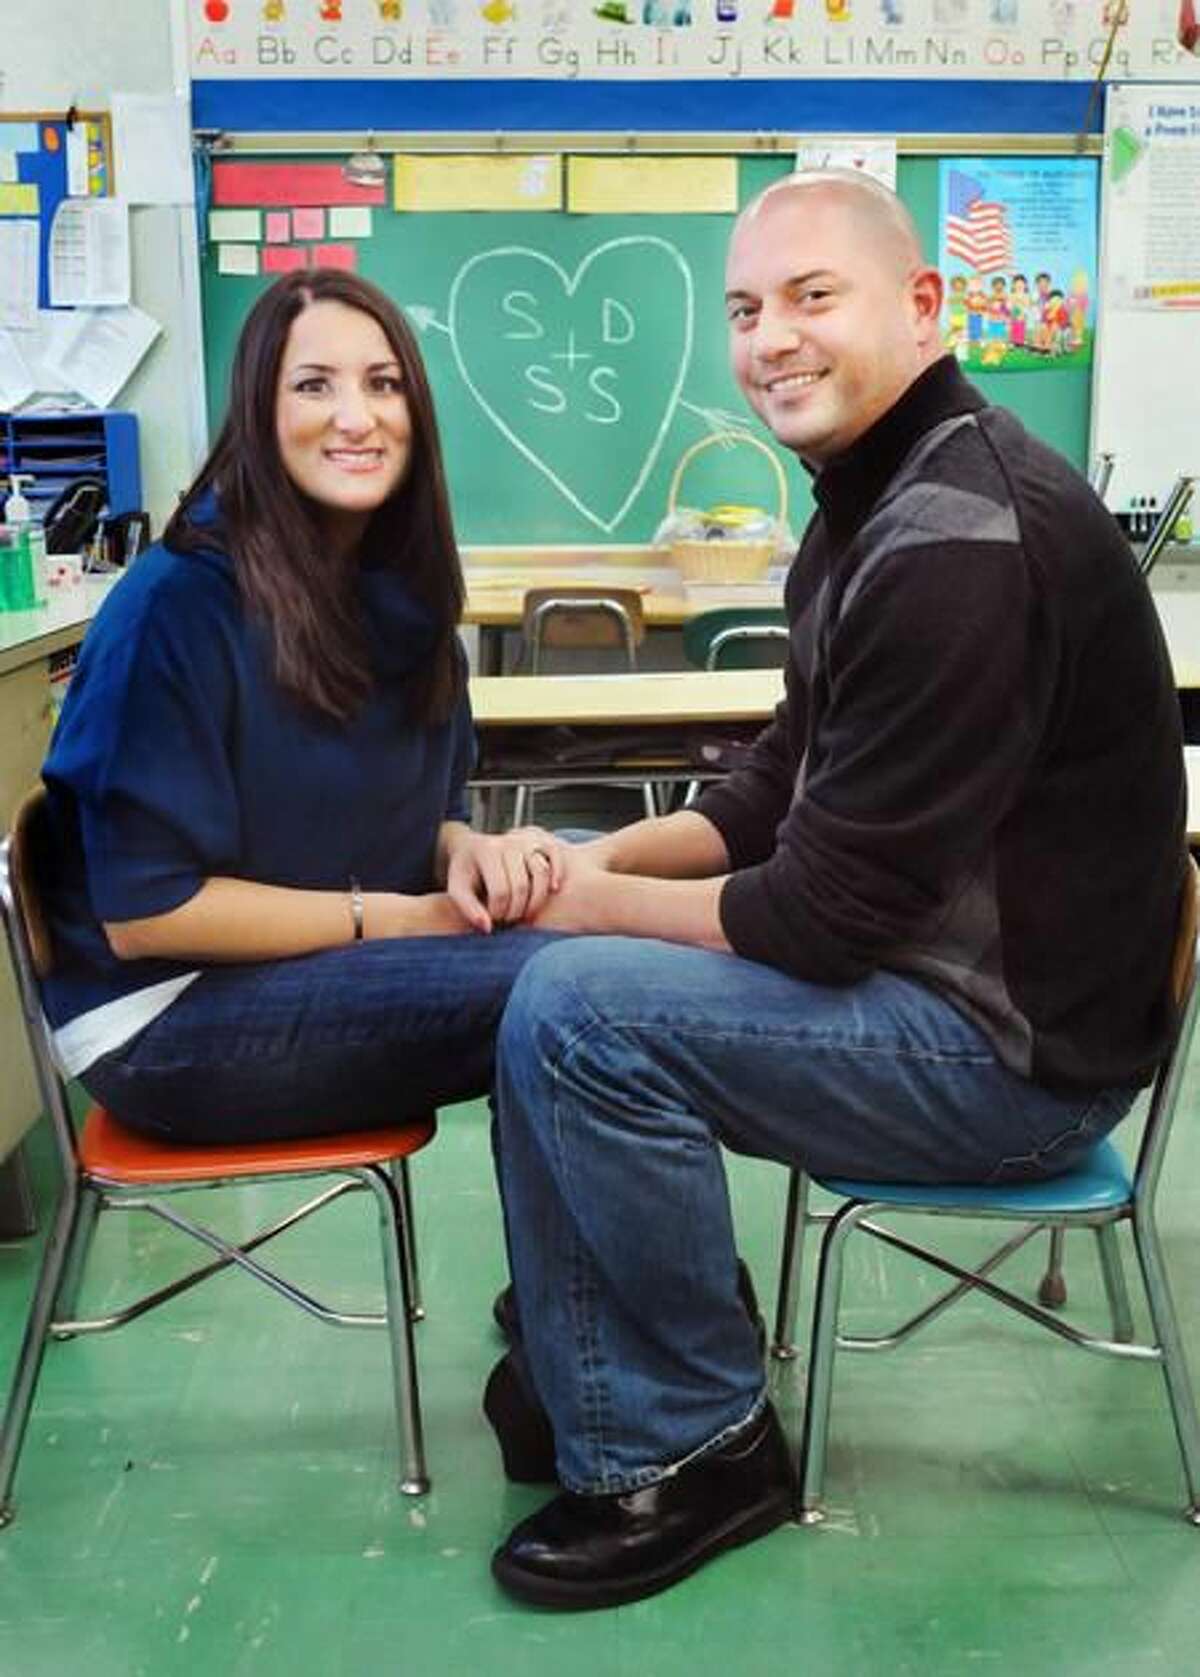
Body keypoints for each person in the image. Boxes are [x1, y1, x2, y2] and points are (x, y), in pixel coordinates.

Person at [484, 170, 1187, 1609]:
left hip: (1012, 1059)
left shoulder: (959, 538)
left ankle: (699, 1438)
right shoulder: (870, 501)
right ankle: (593, 1360)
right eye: (746, 310)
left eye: (814, 297)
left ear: (923, 307)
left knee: (575, 1010)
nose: (770, 341)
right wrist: (596, 860)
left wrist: (581, 909)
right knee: (556, 974)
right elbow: (770, 786)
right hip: (937, 987)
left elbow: (815, 916)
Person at [38, 269, 564, 1144]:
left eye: (383, 384)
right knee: (574, 982)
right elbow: (145, 914)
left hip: (317, 954)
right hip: (165, 1013)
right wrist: (400, 920)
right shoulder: (175, 605)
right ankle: (617, 1290)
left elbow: (423, 815)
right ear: (259, 410)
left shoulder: (396, 589)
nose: (356, 417)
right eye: (314, 385)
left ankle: (575, 1289)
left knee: (579, 885)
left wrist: (471, 849)